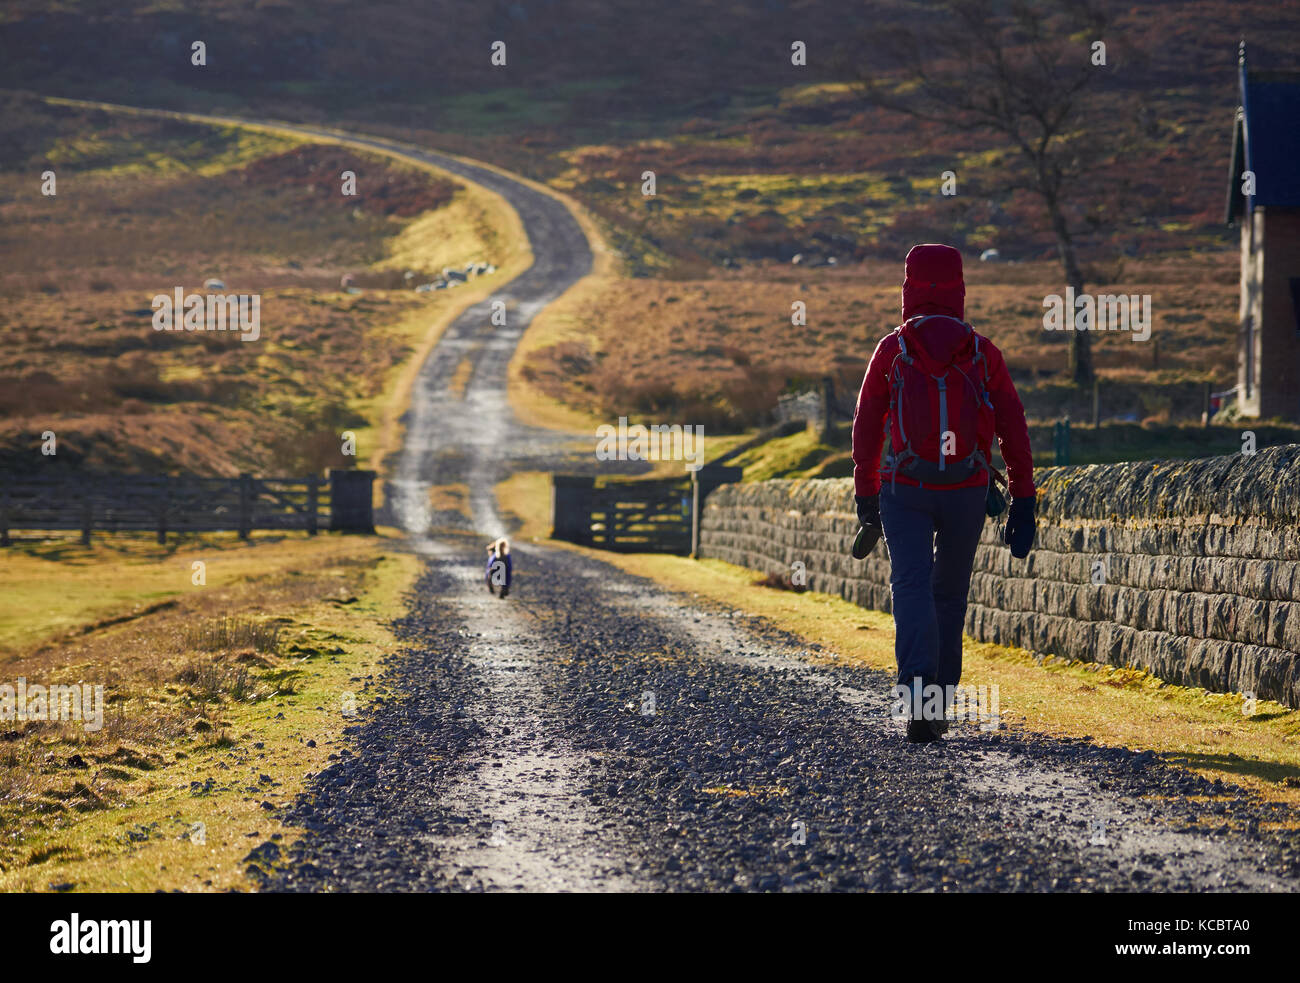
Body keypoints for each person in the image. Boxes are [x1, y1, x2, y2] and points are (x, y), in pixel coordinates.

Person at [851, 243, 1036, 743]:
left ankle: (915, 691)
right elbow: (1012, 425)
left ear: (908, 288)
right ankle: (938, 702)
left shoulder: (893, 349)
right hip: (966, 488)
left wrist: (866, 490)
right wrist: (1024, 497)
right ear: (960, 289)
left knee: (910, 584)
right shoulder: (981, 352)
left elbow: (867, 420)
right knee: (949, 593)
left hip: (904, 487)